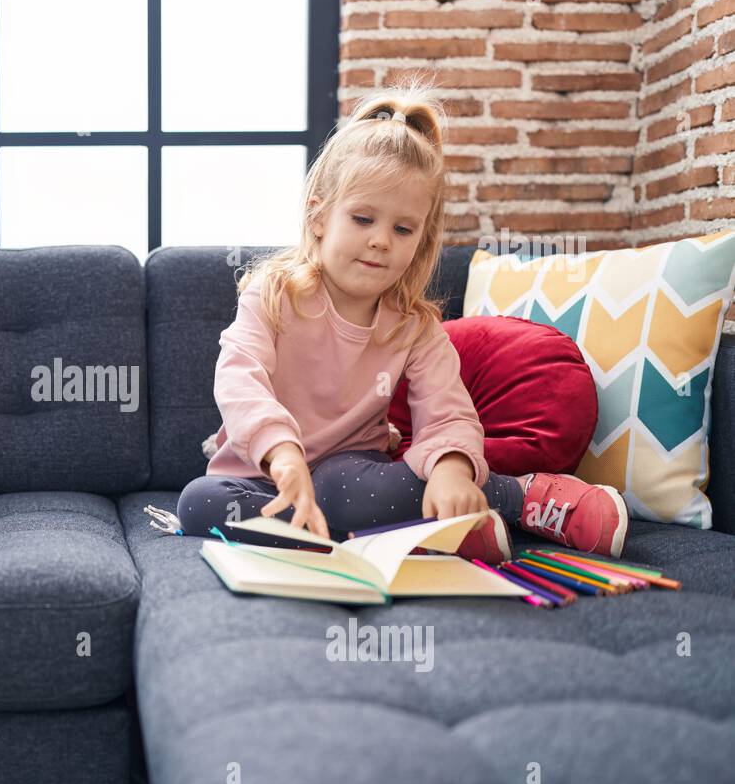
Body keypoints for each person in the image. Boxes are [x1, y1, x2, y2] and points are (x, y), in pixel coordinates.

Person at [177, 87, 628, 564]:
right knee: (198, 503)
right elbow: (238, 378)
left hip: (352, 476)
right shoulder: (272, 295)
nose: (380, 242)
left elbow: (447, 411)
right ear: (318, 215)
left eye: (402, 229)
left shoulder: (413, 327)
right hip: (260, 474)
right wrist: (281, 452)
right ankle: (414, 532)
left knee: (341, 488)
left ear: (421, 238)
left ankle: (519, 497)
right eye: (363, 218)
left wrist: (453, 470)